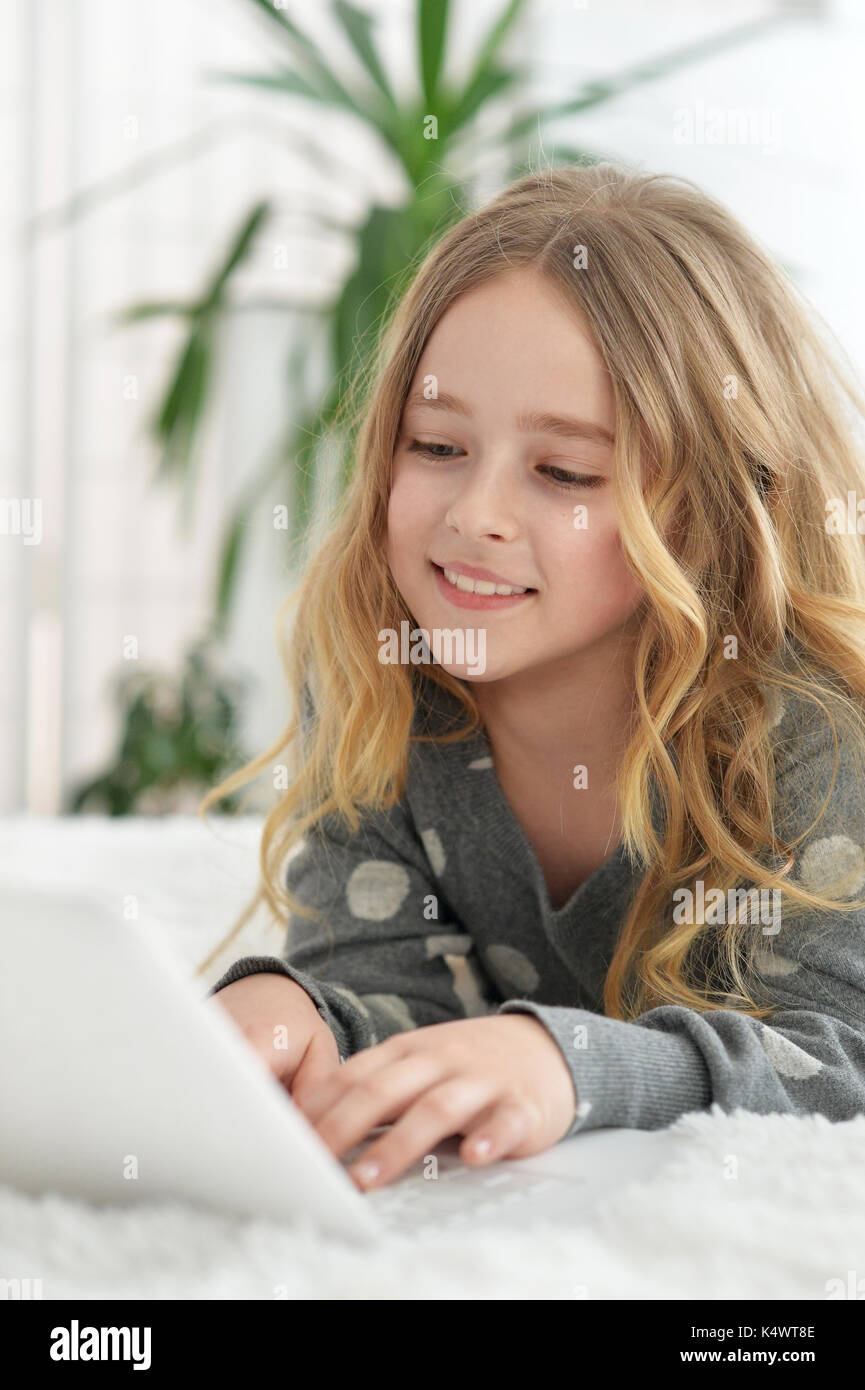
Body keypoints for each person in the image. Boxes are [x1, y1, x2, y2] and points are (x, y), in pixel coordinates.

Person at [200, 162, 865, 1193]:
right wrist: (298, 1015)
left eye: (563, 472)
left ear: (713, 511)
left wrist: (574, 1061)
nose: (476, 515)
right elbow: (386, 988)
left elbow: (841, 1057)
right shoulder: (382, 681)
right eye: (436, 445)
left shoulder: (817, 731)